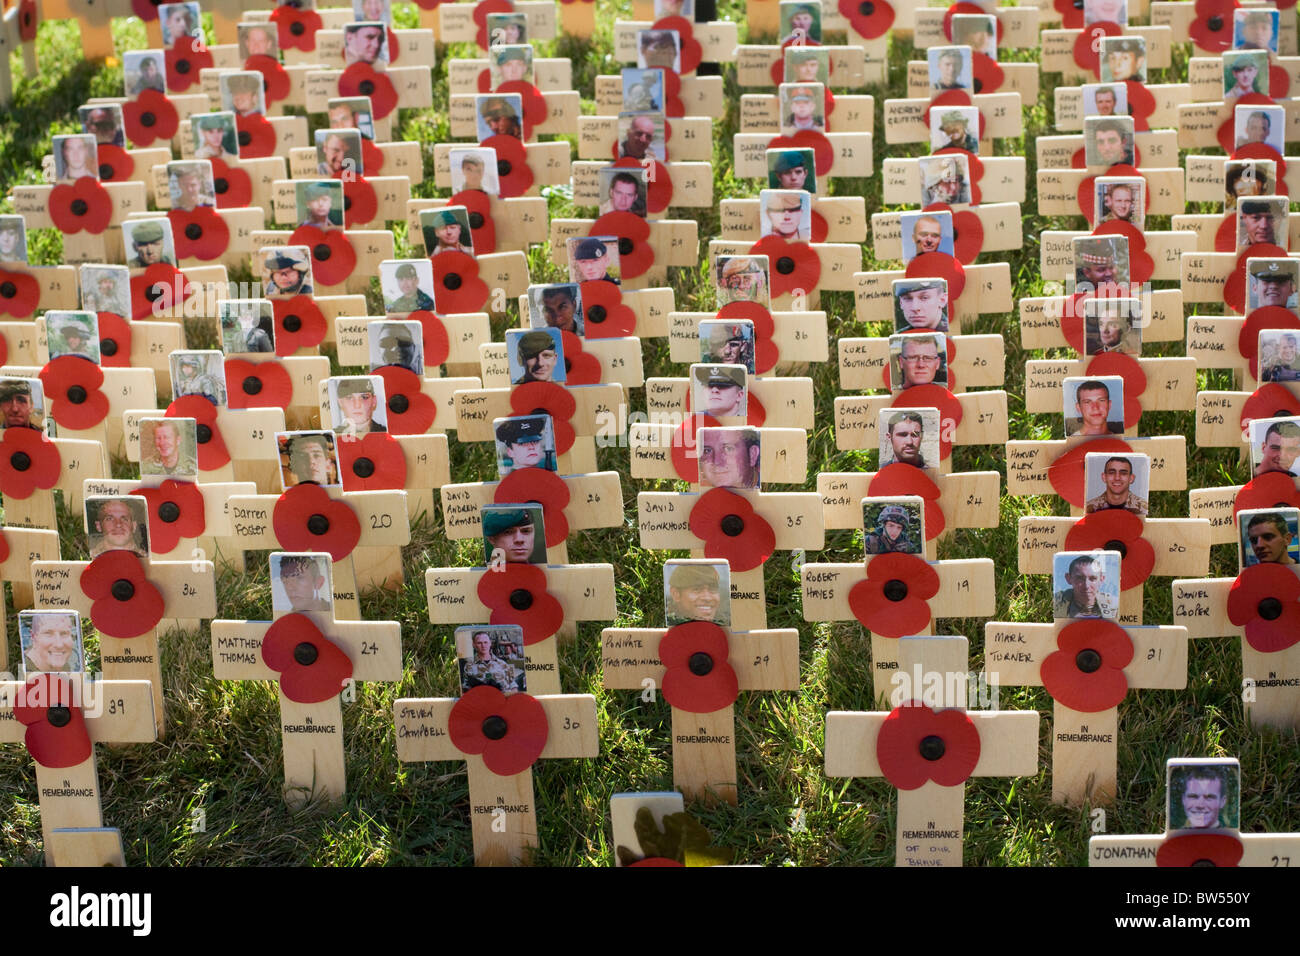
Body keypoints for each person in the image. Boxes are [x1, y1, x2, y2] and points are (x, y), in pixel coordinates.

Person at [1053, 554, 1116, 619]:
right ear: (1068, 578)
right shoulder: (1055, 602)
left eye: (1093, 579)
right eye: (1080, 578)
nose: (1086, 586)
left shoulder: (1114, 606)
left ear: (1101, 580)